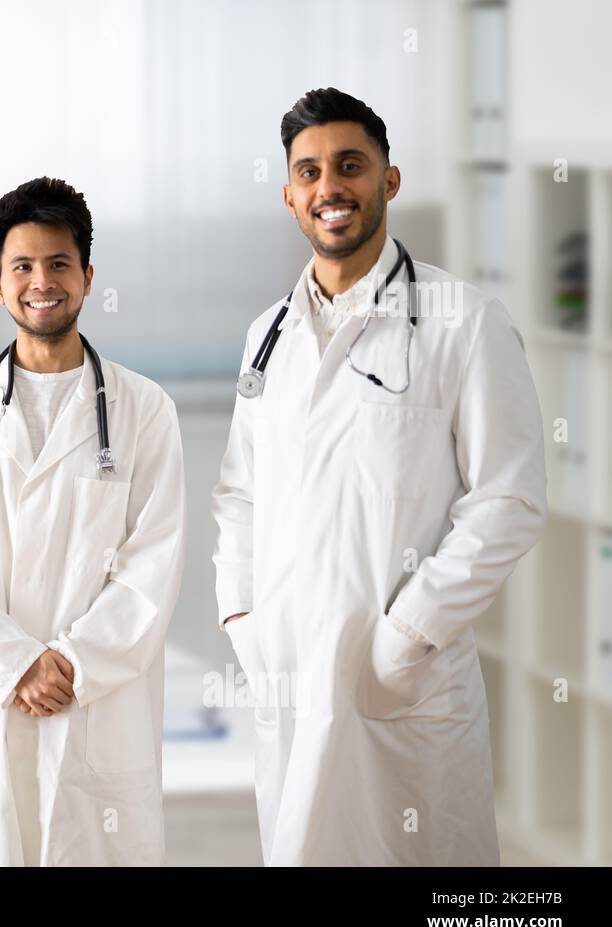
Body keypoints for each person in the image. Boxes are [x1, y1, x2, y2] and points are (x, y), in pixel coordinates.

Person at [211, 88, 548, 865]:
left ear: (388, 182)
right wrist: (241, 617)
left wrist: (408, 633)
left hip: (405, 683)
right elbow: (239, 492)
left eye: (350, 166)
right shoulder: (268, 337)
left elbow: (511, 499)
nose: (331, 187)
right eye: (311, 172)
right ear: (290, 194)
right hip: (292, 669)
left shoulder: (464, 321)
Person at [0, 177, 185, 866]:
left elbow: (156, 561)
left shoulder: (144, 410)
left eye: (59, 263)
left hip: (97, 699)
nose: (41, 281)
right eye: (22, 266)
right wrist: (19, 663)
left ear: (88, 277)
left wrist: (74, 663)